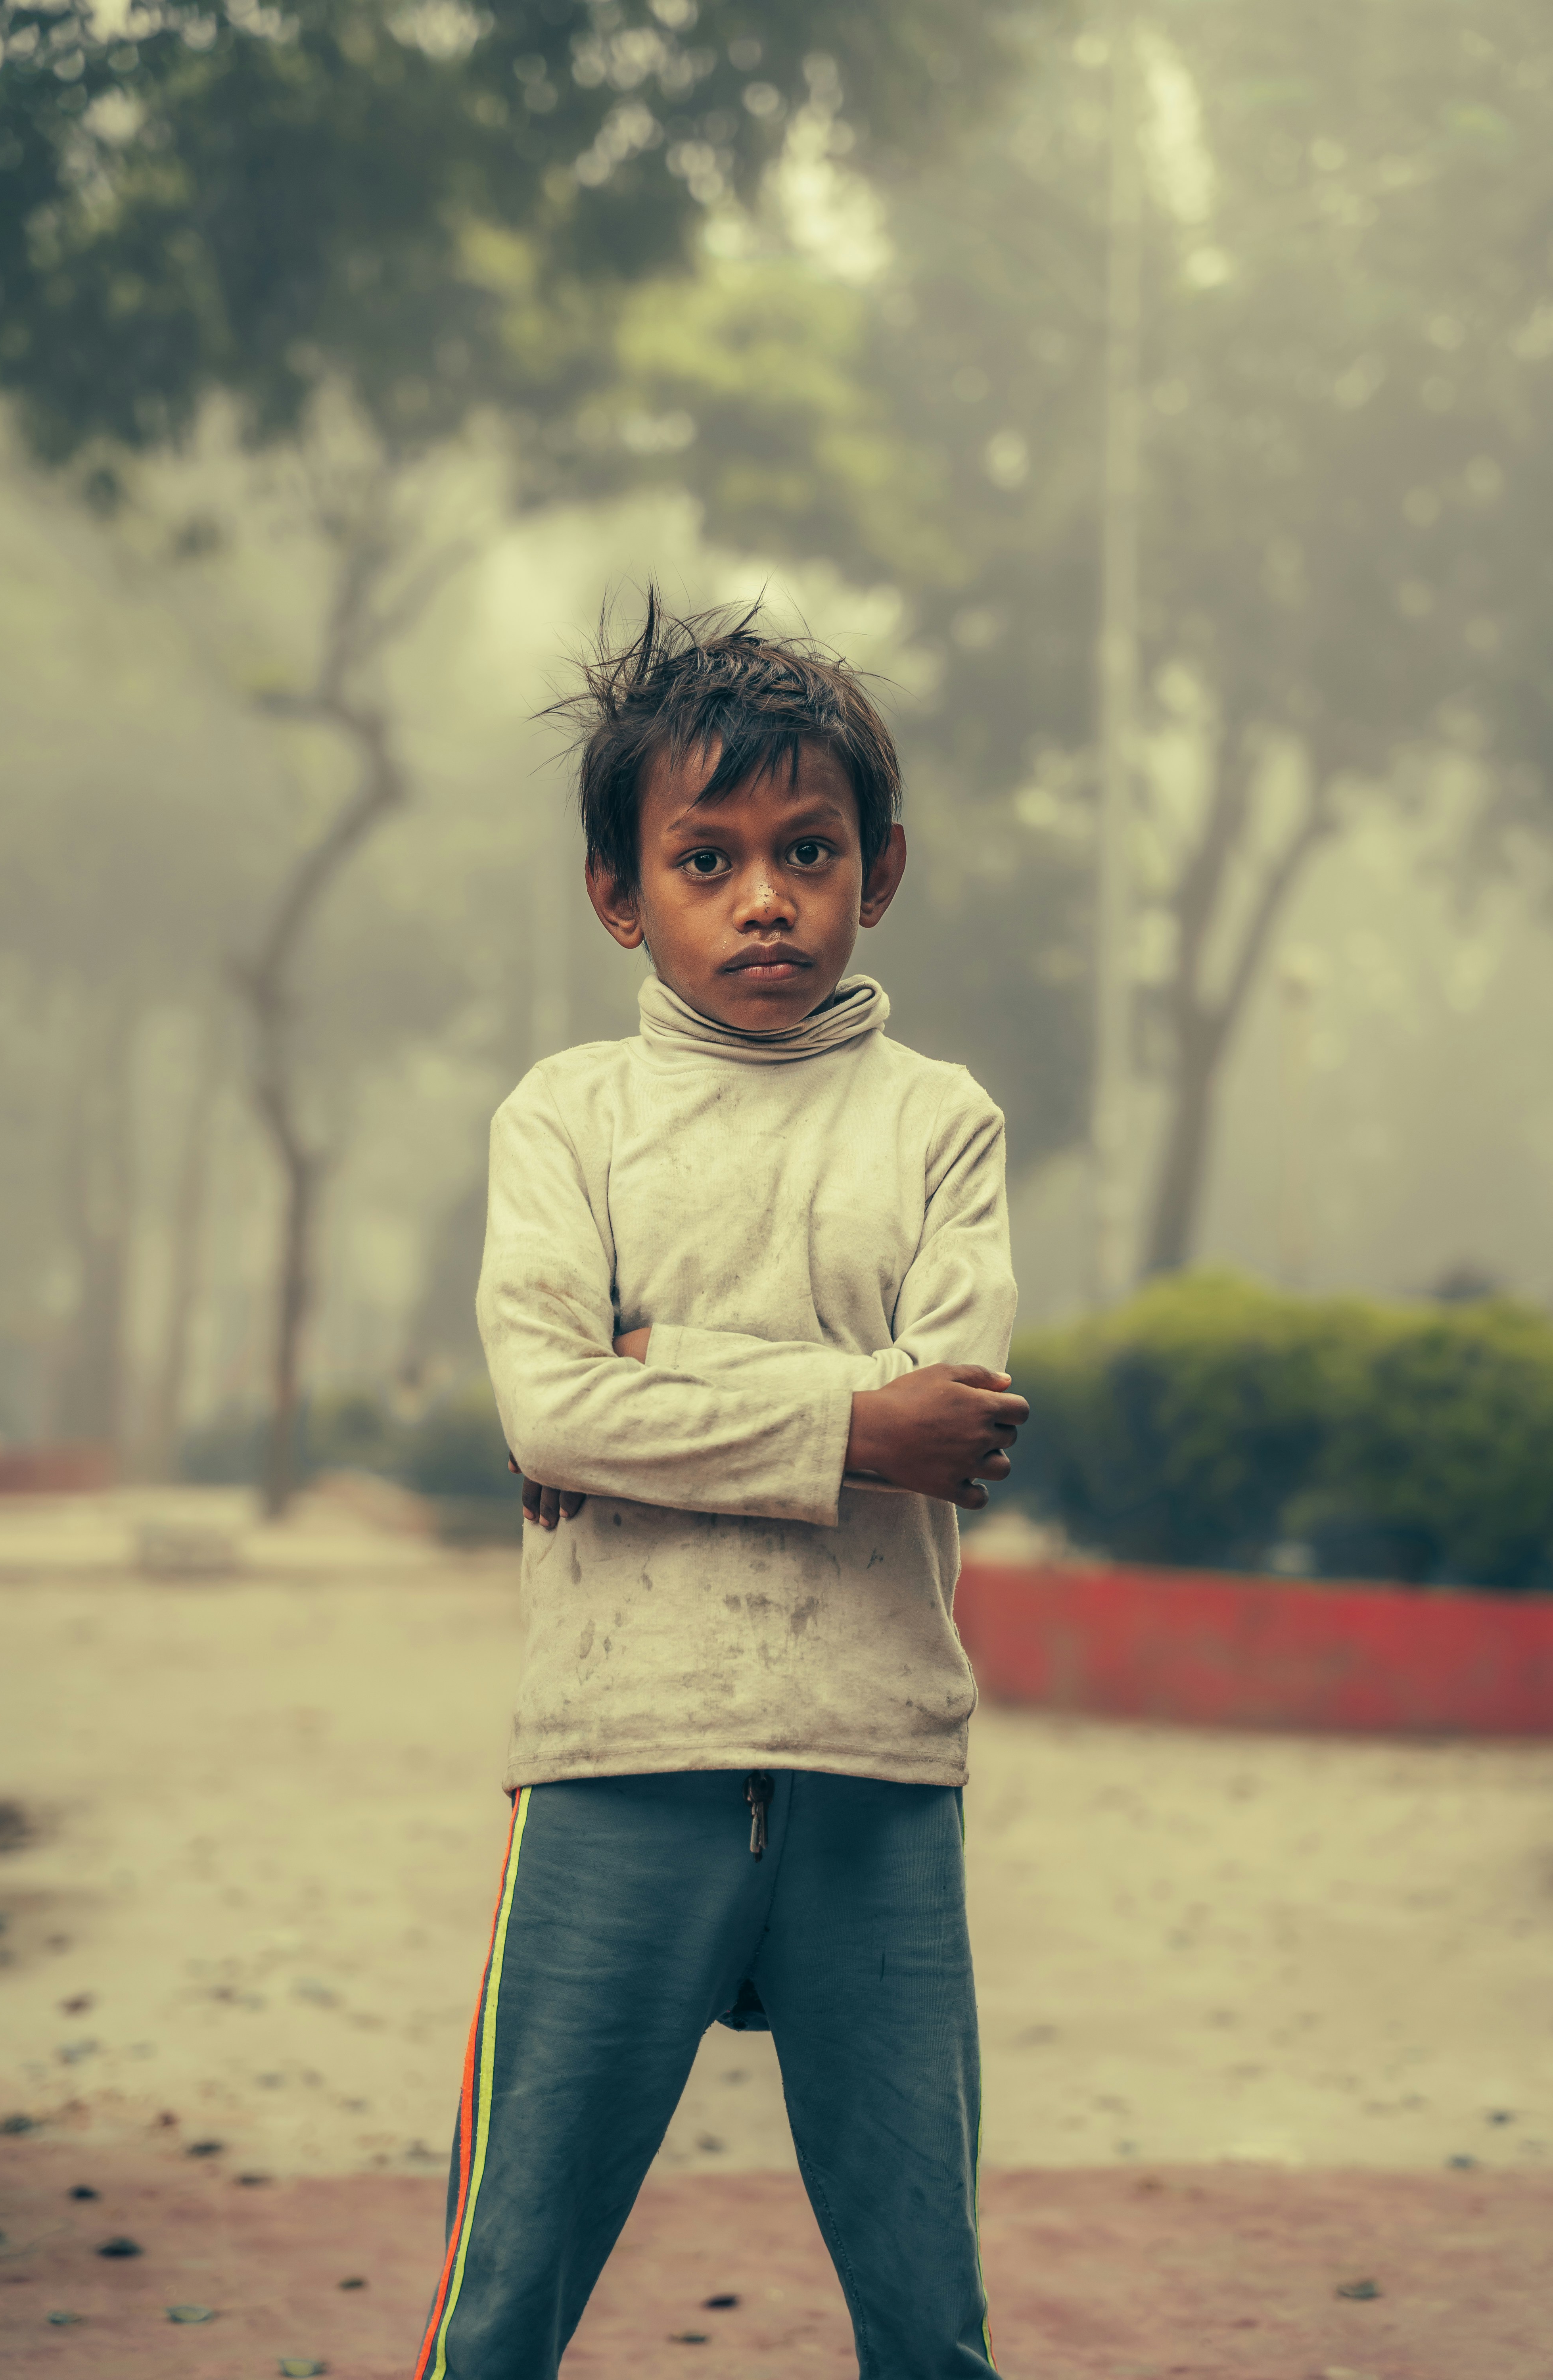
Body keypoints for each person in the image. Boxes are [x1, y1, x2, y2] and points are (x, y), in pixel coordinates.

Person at [414, 595, 1026, 2380]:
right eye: (707, 858)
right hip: (621, 1750)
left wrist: (654, 1379)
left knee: (930, 2316)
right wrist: (848, 1424)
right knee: (503, 2293)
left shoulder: (942, 1124)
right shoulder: (566, 1120)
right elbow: (546, 1410)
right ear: (621, 894)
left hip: (877, 1758)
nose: (765, 897)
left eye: (807, 851)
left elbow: (962, 1414)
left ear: (878, 869)